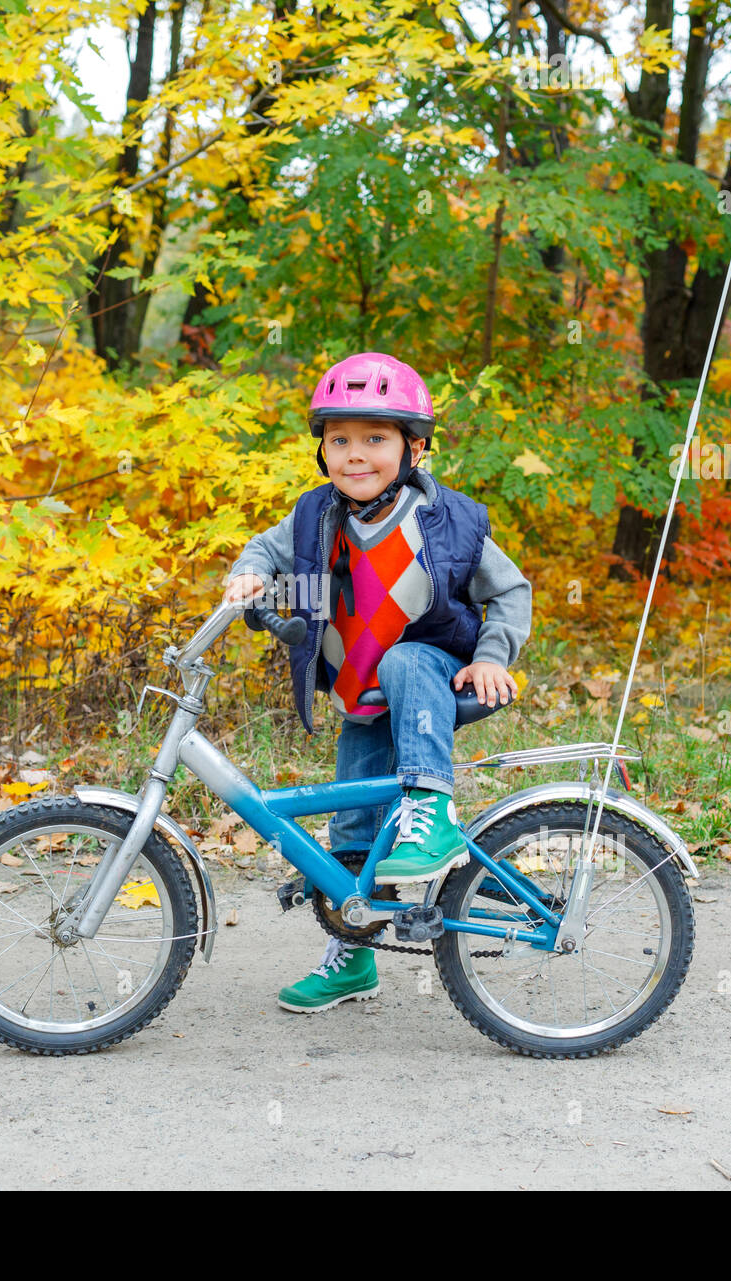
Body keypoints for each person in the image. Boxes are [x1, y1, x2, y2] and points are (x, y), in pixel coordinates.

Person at [222, 351, 532, 1013]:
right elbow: (266, 550)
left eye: (375, 438)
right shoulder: (317, 518)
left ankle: (432, 813)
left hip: (436, 675)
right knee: (353, 833)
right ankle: (351, 953)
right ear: (322, 450)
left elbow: (509, 591)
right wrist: (248, 574)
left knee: (405, 657)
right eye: (339, 439)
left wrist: (493, 656)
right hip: (361, 699)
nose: (354, 454)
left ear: (414, 448)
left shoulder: (447, 522)